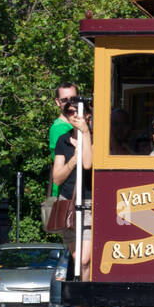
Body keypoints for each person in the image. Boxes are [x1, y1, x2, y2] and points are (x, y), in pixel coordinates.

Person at [52, 98, 93, 282]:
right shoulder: (63, 140)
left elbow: (88, 164)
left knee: (84, 260)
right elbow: (57, 177)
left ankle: (86, 304)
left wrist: (85, 133)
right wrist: (72, 160)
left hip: (89, 203)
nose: (74, 115)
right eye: (69, 112)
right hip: (68, 203)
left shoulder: (95, 138)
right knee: (76, 259)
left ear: (87, 115)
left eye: (78, 111)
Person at [49, 80, 77, 195]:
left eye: (73, 99)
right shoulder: (59, 128)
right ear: (57, 102)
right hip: (65, 192)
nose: (69, 103)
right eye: (64, 100)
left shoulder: (76, 125)